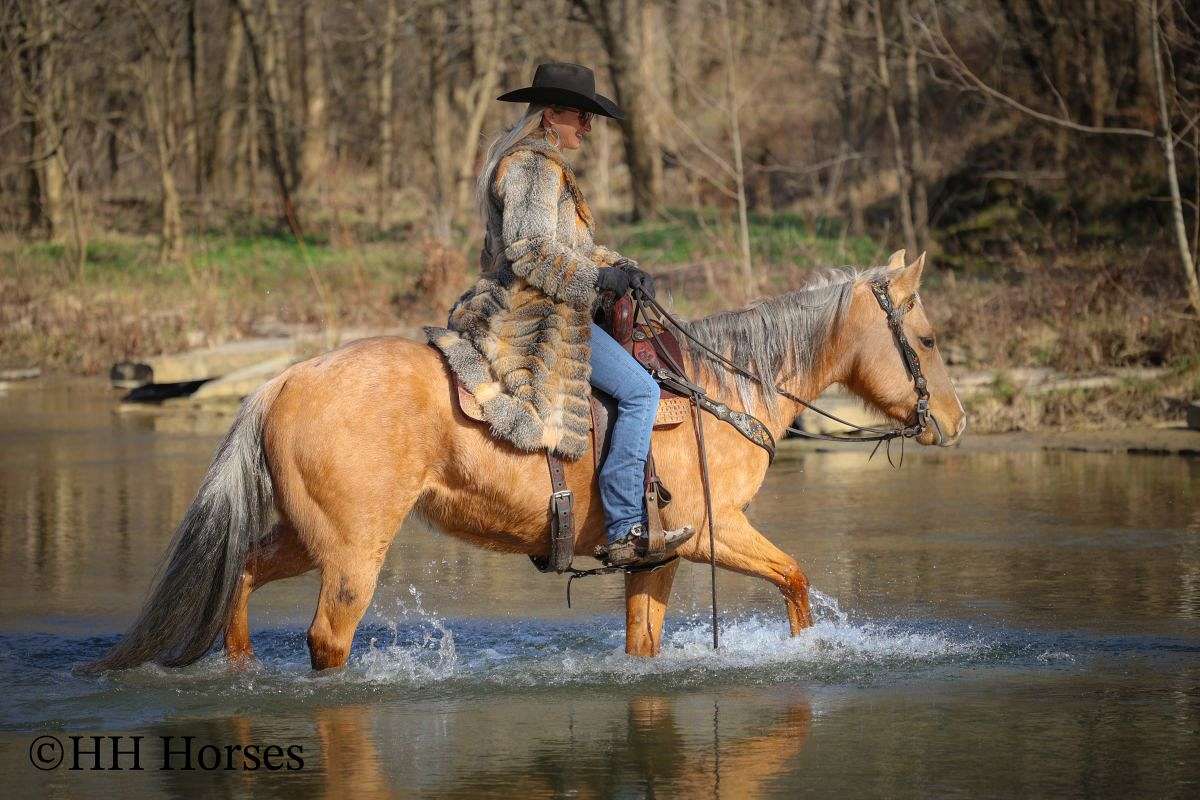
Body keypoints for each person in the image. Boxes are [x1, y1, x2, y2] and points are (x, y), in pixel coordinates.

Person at [425, 62, 693, 566]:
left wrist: (621, 268)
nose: (588, 127)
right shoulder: (532, 167)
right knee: (642, 392)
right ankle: (625, 526)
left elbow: (568, 249)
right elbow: (530, 251)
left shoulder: (542, 166)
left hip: (547, 302)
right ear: (551, 115)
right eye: (581, 116)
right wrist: (597, 281)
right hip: (536, 315)